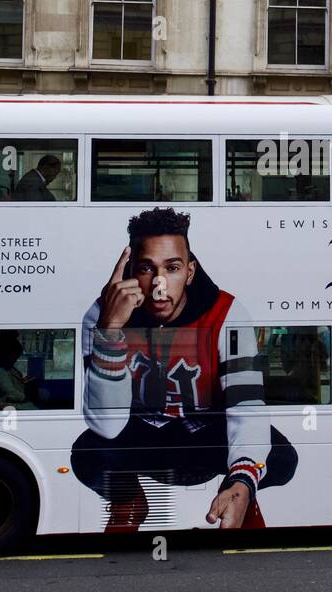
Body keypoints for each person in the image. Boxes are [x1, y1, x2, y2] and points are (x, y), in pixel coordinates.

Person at [71, 207, 297, 531]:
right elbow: (107, 424)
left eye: (172, 268)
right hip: (142, 440)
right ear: (130, 270)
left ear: (190, 272)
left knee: (281, 456)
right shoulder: (101, 315)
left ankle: (237, 496)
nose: (160, 285)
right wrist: (110, 330)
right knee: (87, 452)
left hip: (205, 440)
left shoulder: (227, 312)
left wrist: (243, 480)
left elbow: (246, 408)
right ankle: (128, 501)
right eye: (147, 268)